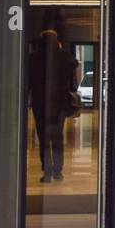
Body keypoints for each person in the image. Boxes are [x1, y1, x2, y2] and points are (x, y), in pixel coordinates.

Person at [28, 24, 77, 182]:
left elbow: (28, 82)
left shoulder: (34, 57)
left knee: (43, 139)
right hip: (59, 104)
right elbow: (73, 67)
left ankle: (47, 172)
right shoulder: (64, 56)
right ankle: (58, 171)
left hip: (40, 104)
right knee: (57, 138)